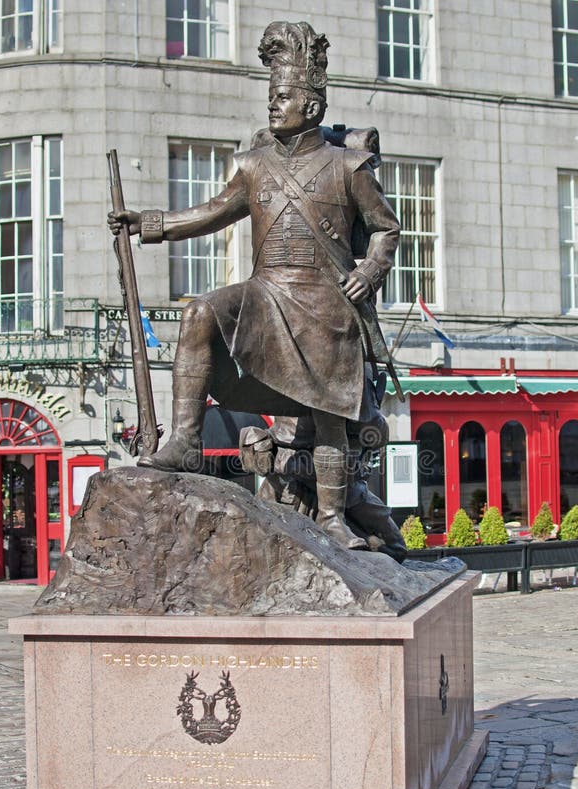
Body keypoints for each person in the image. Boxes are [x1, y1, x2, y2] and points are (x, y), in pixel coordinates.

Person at [108, 21, 400, 550]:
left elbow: (386, 229)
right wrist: (148, 224)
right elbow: (211, 213)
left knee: (330, 419)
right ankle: (186, 439)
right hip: (267, 294)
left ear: (311, 105)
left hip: (327, 302)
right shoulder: (253, 165)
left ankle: (333, 517)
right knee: (199, 312)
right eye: (271, 97)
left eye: (282, 97)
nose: (273, 105)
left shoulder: (348, 166)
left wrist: (368, 272)